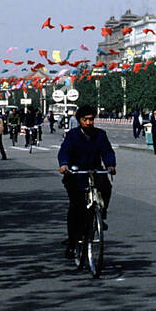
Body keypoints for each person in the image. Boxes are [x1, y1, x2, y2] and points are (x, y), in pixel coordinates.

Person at [57, 105, 116, 259]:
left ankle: (100, 215)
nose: (89, 122)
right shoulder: (73, 135)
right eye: (86, 120)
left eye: (91, 119)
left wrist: (111, 164)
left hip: (95, 170)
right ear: (79, 120)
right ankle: (72, 243)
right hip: (76, 174)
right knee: (76, 208)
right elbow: (64, 151)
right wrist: (64, 164)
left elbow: (107, 151)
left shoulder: (100, 135)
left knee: (107, 186)